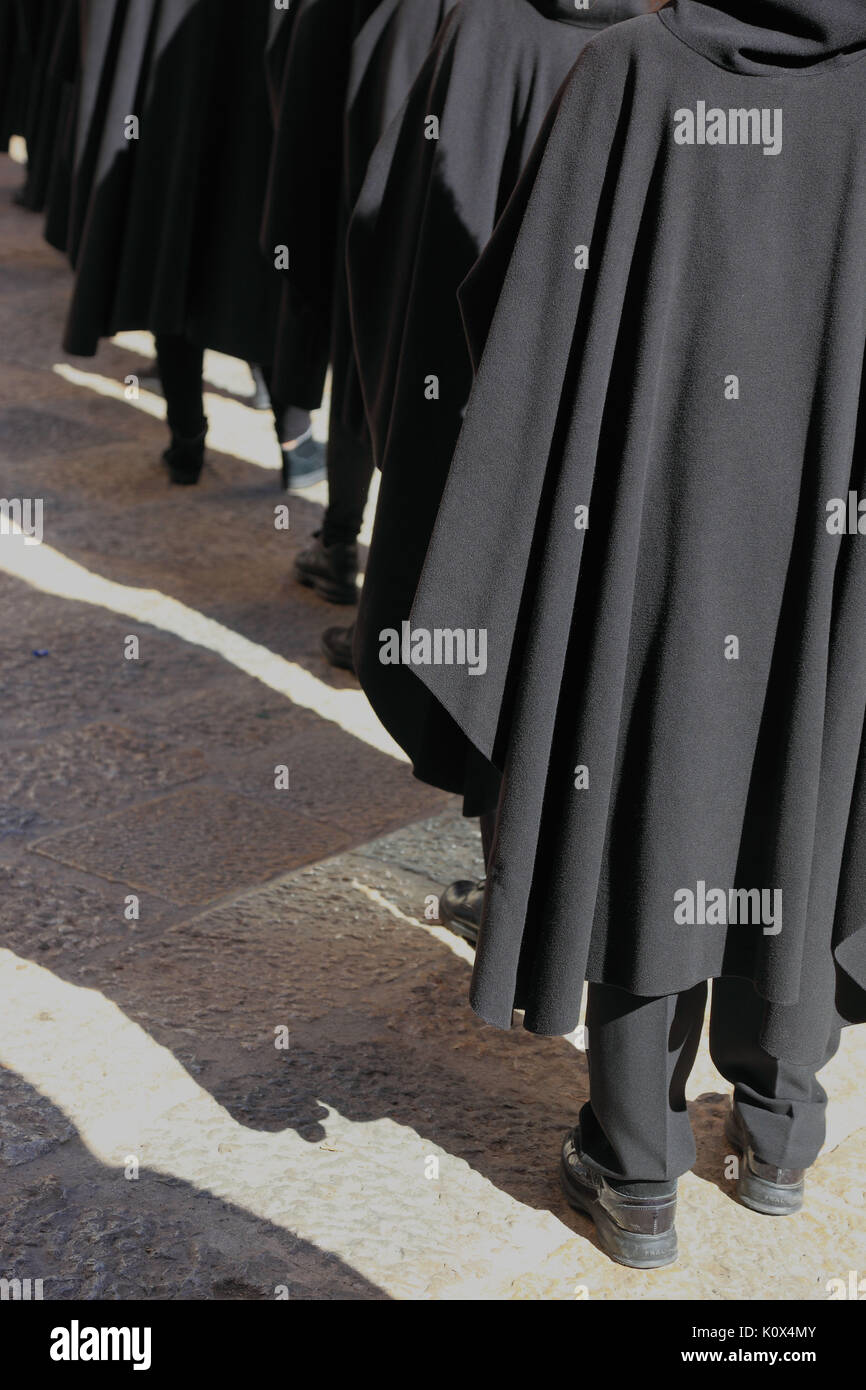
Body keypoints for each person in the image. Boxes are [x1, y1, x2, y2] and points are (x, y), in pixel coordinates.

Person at [408, 0, 866, 1266]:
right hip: (834, 526)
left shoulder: (625, 71)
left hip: (649, 522)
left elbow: (512, 308)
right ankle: (776, 1130)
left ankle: (635, 1166)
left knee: (644, 783)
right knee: (807, 776)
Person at [343, 0, 655, 939]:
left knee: (488, 612)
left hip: (474, 394)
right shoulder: (662, 48)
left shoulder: (478, 24)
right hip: (627, 404)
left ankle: (511, 881)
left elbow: (387, 216)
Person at [52, 0, 319, 488]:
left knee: (169, 253)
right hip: (259, 113)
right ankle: (295, 441)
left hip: (160, 114)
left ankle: (186, 439)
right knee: (261, 269)